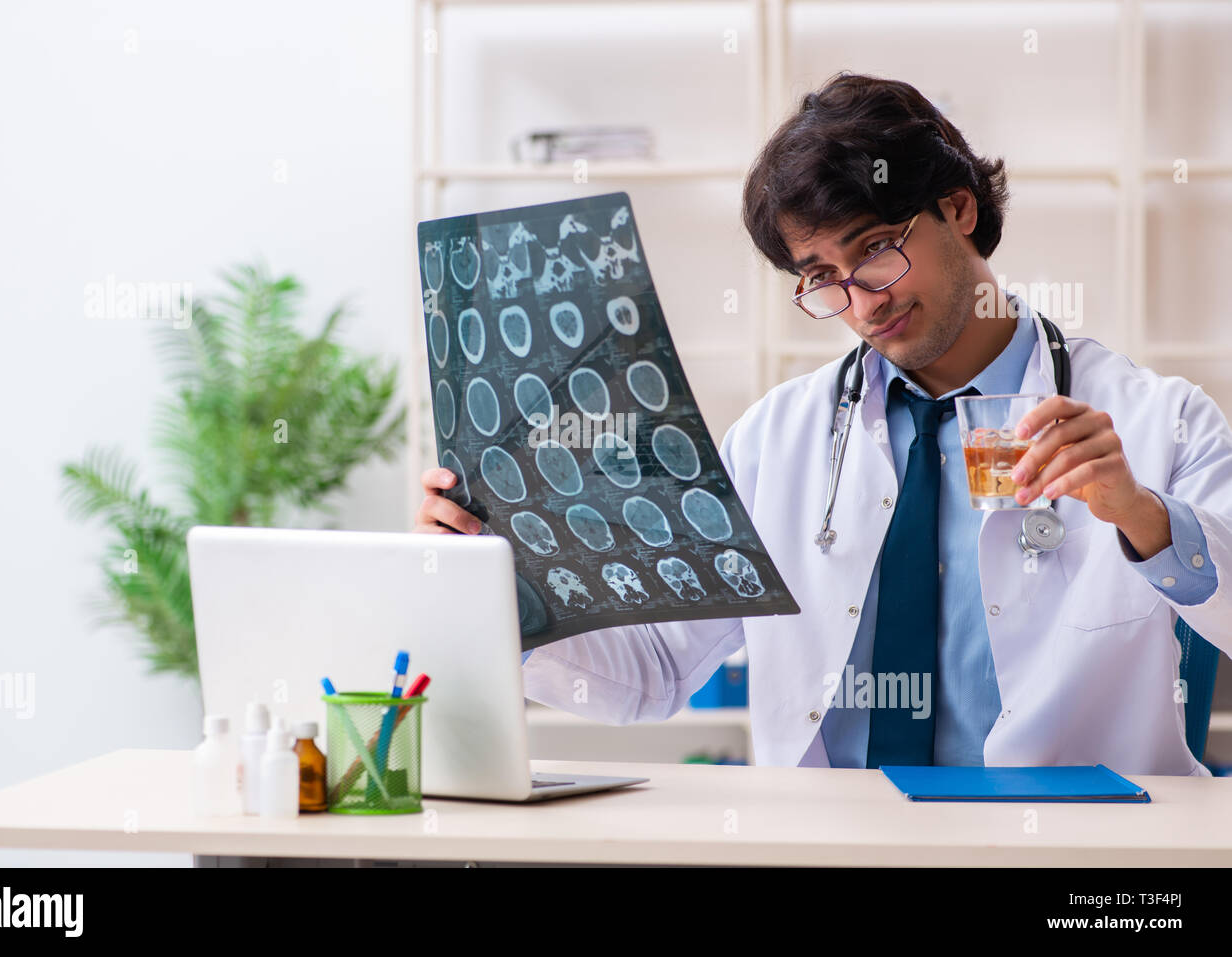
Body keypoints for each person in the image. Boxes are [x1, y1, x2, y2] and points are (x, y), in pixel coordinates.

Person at [413, 72, 1232, 774]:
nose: (862, 300)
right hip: (828, 844)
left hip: (1069, 858)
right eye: (822, 276)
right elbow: (656, 671)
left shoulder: (1159, 420)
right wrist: (509, 584)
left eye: (876, 247)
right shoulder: (777, 441)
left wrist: (1144, 517)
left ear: (960, 208)